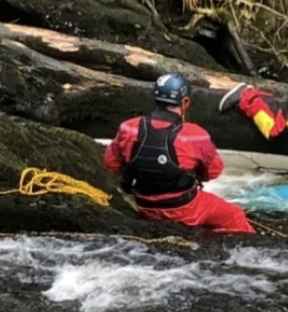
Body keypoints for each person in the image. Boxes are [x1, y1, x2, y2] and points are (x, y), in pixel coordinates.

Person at [103, 73, 256, 234]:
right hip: (185, 209)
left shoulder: (128, 127)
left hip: (143, 205)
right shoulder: (196, 135)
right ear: (185, 102)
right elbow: (213, 172)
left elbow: (111, 163)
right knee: (234, 214)